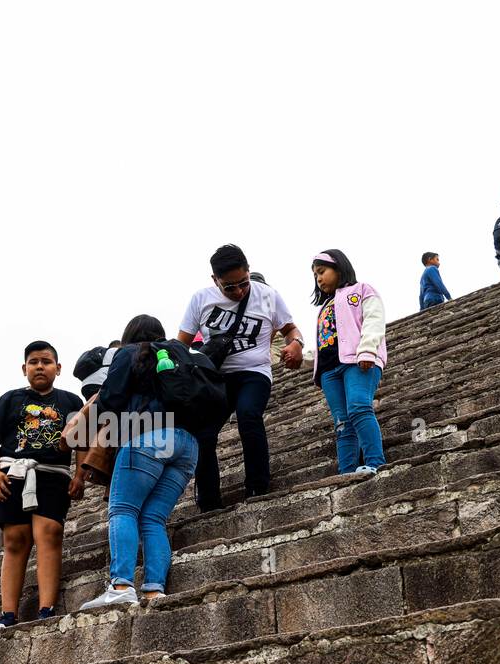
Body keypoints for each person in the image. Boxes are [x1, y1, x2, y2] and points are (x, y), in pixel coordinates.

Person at [80, 315, 200, 609]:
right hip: (187, 444)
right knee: (153, 518)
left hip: (147, 438)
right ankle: (153, 589)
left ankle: (121, 585)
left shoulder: (128, 353)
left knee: (123, 510)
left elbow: (110, 400)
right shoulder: (179, 353)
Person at [177, 244, 303, 512]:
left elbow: (290, 329)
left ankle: (258, 486)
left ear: (249, 271)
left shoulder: (267, 295)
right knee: (204, 434)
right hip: (217, 378)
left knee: (248, 415)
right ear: (215, 281)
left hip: (254, 372)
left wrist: (296, 344)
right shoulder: (201, 299)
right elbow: (181, 344)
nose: (238, 292)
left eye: (243, 284)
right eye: (229, 287)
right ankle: (209, 501)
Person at [0, 341, 84, 627]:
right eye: (34, 361)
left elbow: (83, 441)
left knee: (50, 533)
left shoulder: (71, 401)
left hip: (54, 475)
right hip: (12, 475)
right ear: (24, 368)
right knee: (15, 540)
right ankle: (8, 614)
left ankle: (47, 608)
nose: (40, 366)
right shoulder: (10, 399)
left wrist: (79, 475)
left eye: (47, 362)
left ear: (58, 368)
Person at [311, 250, 387, 475]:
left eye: (322, 271)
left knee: (359, 407)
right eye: (315, 276)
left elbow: (374, 320)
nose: (319, 278)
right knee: (342, 423)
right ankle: (347, 472)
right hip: (328, 371)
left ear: (339, 267)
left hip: (357, 361)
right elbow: (324, 341)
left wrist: (367, 350)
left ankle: (375, 462)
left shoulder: (362, 290)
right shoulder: (323, 307)